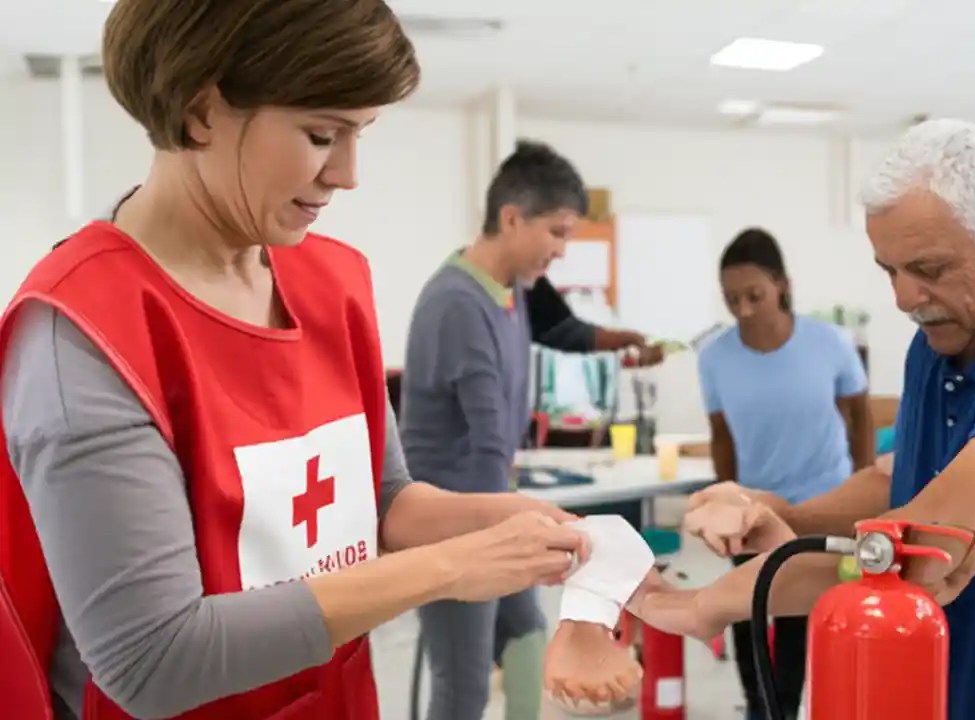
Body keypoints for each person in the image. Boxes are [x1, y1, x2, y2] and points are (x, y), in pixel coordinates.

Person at [0, 2, 596, 718]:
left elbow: (380, 503)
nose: (347, 174)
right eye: (322, 135)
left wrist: (505, 522)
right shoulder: (87, 336)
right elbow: (151, 658)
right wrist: (449, 569)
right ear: (199, 111)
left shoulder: (329, 284)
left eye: (360, 134)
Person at [624, 119, 975, 720]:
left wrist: (706, 604)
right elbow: (903, 478)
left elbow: (919, 550)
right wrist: (786, 514)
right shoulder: (938, 345)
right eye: (890, 271)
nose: (904, 298)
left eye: (929, 270)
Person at [400, 140, 602, 720]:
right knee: (462, 684)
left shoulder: (509, 289)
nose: (562, 251)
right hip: (453, 524)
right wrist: (517, 530)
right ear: (511, 218)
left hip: (492, 506)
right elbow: (488, 440)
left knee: (527, 641)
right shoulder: (457, 302)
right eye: (557, 233)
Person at [697, 227, 873, 720]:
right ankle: (759, 707)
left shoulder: (828, 342)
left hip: (823, 502)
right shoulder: (715, 358)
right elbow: (721, 436)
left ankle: (786, 708)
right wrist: (725, 502)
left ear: (782, 285)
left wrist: (861, 490)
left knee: (797, 615)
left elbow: (860, 416)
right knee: (744, 606)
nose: (744, 309)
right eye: (732, 299)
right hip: (755, 505)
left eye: (754, 295)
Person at [527, 274, 664, 365]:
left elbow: (563, 329)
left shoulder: (529, 282)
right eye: (556, 233)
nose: (560, 252)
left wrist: (626, 340)